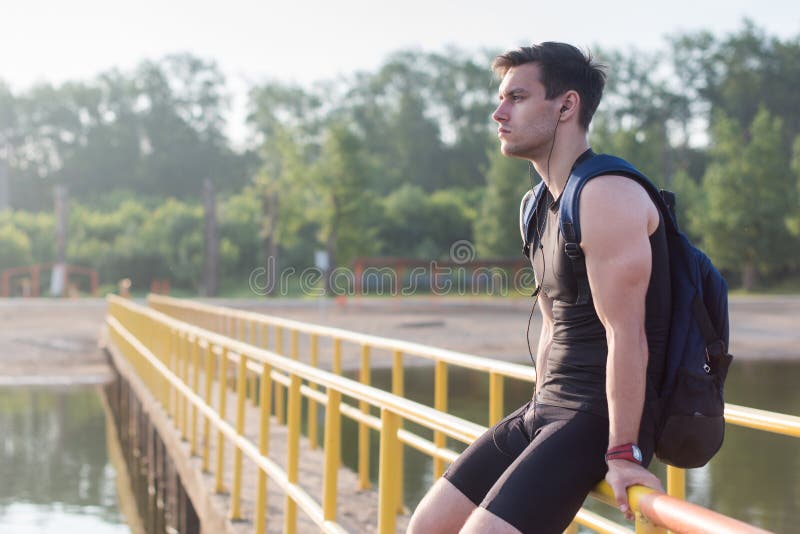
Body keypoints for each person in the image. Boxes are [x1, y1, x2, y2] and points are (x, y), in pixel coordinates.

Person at [407, 42, 668, 534]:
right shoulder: (536, 204)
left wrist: (624, 452)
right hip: (545, 408)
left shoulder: (606, 194)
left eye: (517, 98)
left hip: (596, 418)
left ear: (566, 106)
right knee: (426, 527)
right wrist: (536, 419)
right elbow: (552, 322)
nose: (498, 112)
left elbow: (626, 335)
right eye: (502, 98)